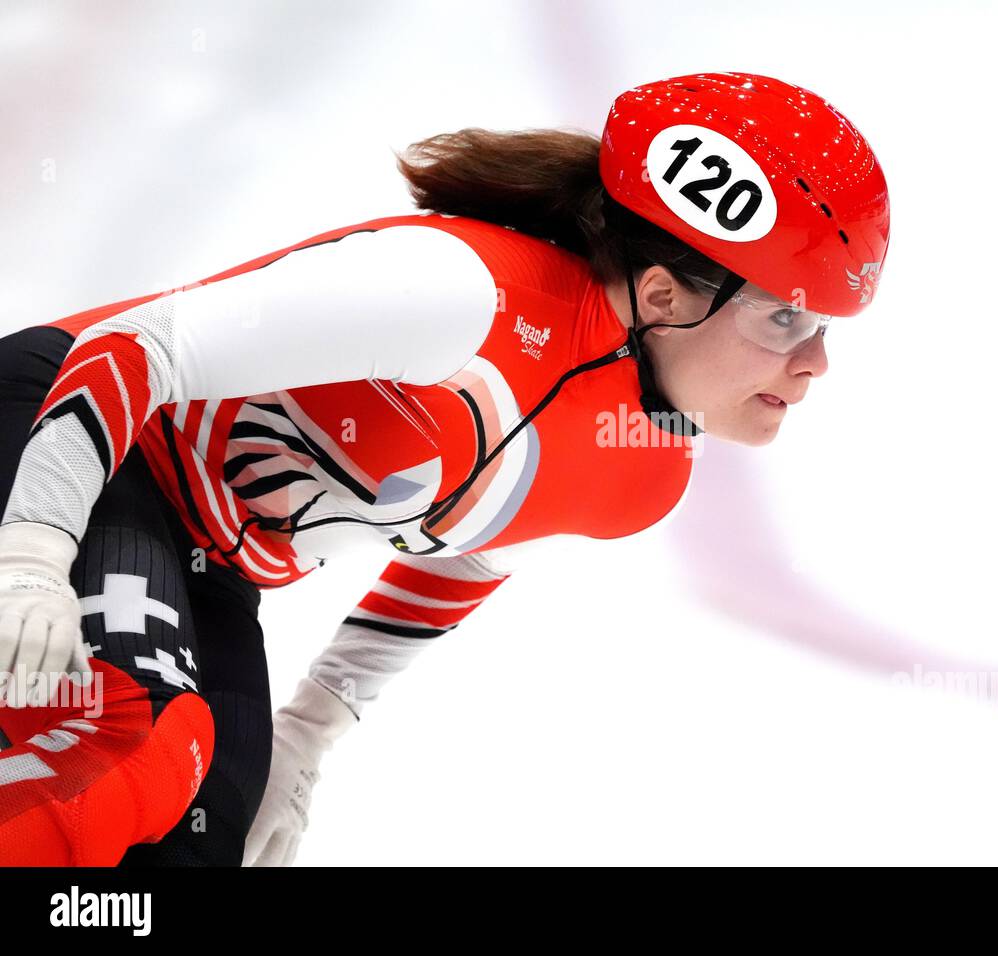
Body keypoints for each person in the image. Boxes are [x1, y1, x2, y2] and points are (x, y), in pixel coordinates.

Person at [0, 71, 890, 866]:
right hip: (73, 435)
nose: (814, 363)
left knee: (200, 838)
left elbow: (466, 557)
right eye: (785, 321)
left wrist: (304, 741)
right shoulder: (461, 290)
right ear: (661, 296)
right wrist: (34, 551)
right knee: (135, 748)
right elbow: (138, 345)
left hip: (217, 562)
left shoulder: (644, 474)